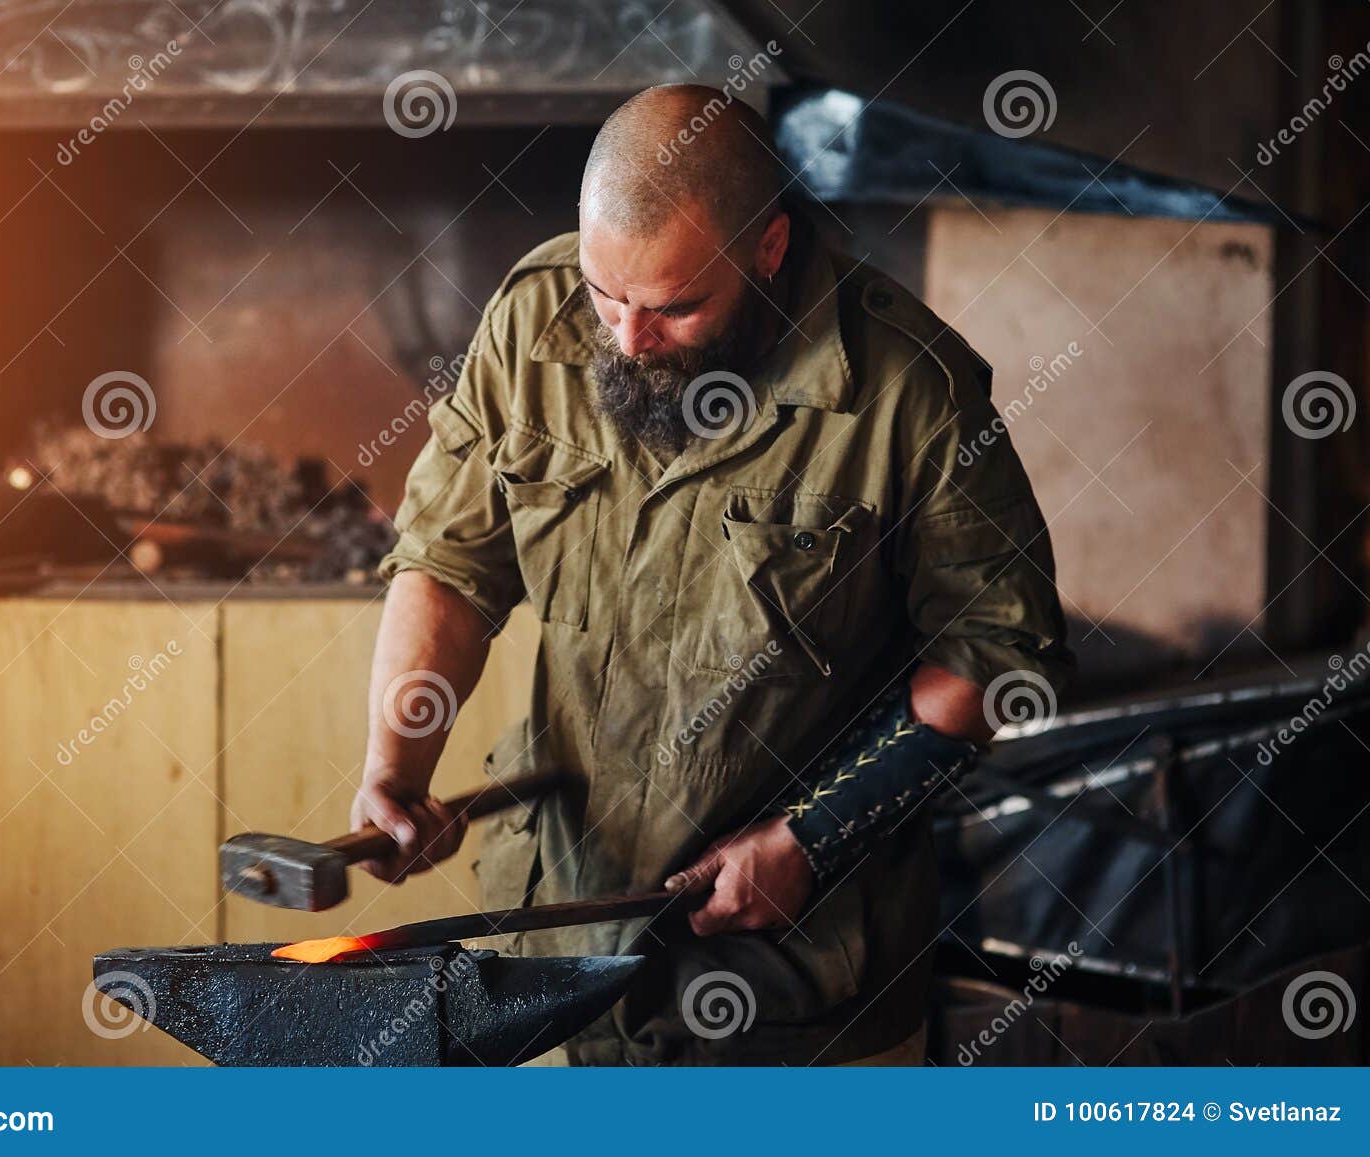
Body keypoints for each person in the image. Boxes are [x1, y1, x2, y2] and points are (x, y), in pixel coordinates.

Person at [352, 83, 1073, 1064]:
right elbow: (448, 557)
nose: (626, 339)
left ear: (767, 250)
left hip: (795, 993)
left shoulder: (912, 393)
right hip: (564, 957)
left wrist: (815, 836)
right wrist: (398, 761)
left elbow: (998, 652)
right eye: (606, 296)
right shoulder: (531, 320)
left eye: (675, 307)